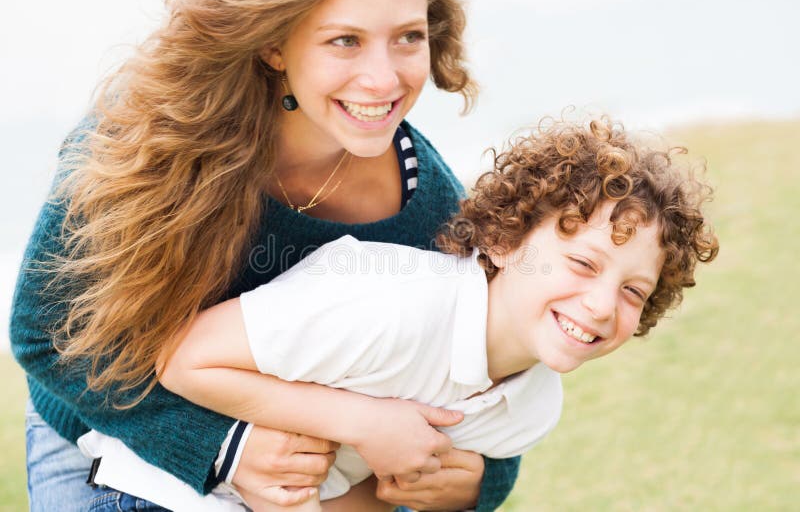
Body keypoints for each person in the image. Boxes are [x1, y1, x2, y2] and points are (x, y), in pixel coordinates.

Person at [10, 0, 520, 511]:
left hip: (304, 463)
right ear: (273, 44)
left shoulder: (432, 211)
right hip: (104, 412)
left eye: (409, 37)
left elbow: (500, 360)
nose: (384, 78)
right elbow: (44, 336)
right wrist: (226, 449)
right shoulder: (145, 137)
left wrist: (481, 481)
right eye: (345, 40)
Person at [78, 117, 719, 511]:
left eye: (634, 291)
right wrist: (363, 420)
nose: (602, 304)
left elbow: (375, 492)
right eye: (581, 263)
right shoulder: (390, 303)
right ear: (502, 240)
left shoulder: (530, 411)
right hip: (157, 489)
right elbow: (183, 359)